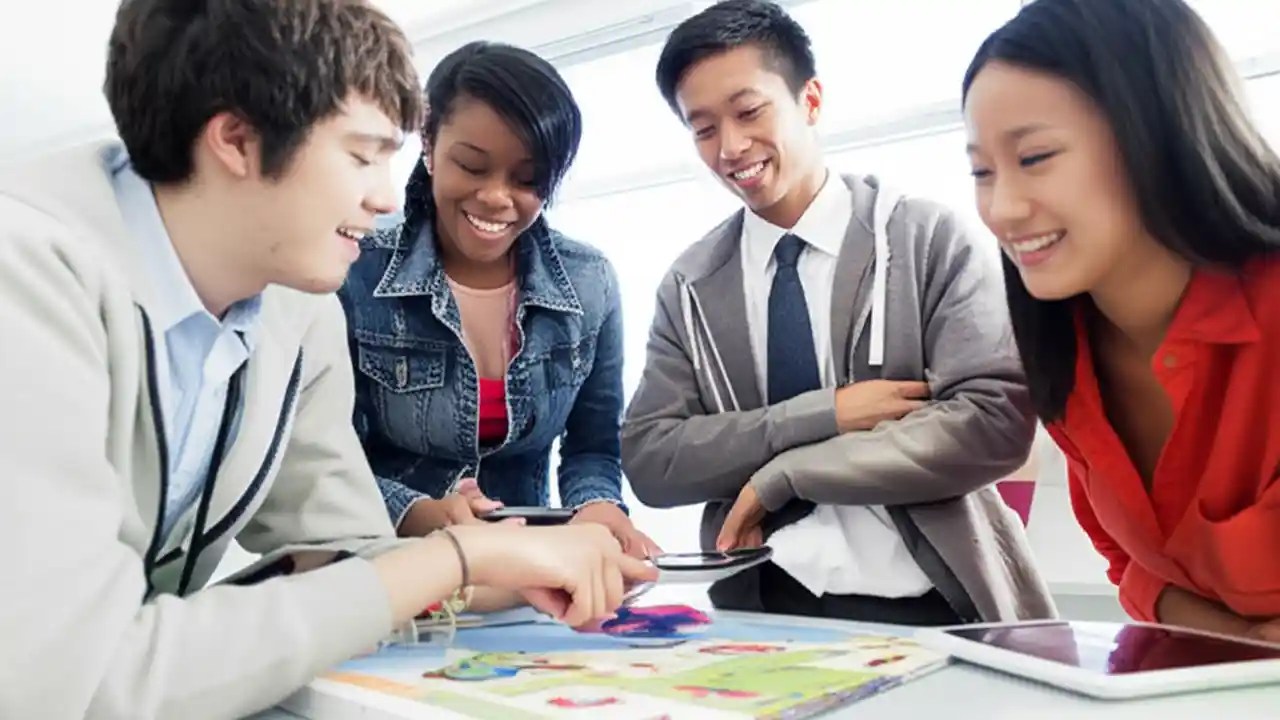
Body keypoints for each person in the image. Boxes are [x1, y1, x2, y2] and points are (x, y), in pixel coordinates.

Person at [0, 2, 655, 718]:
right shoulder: (27, 274)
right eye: (361, 155)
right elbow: (70, 678)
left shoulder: (295, 308)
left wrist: (510, 561)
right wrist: (454, 559)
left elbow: (346, 557)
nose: (382, 196)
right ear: (238, 139)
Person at [622, 0, 1053, 624]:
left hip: (944, 603)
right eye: (703, 128)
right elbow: (653, 460)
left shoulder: (925, 238)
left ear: (811, 102)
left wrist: (787, 475)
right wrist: (825, 415)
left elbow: (993, 421)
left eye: (748, 111)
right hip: (764, 610)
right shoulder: (690, 285)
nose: (731, 147)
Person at [962, 0, 1280, 641]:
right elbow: (1134, 569)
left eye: (1035, 157)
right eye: (981, 171)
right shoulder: (1064, 354)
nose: (1002, 207)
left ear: (1158, 135)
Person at [339, 41, 659, 559]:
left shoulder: (589, 282)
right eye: (471, 166)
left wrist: (597, 505)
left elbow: (592, 446)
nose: (496, 197)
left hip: (526, 575)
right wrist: (418, 513)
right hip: (389, 568)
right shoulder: (356, 269)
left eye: (528, 180)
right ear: (428, 142)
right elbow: (327, 457)